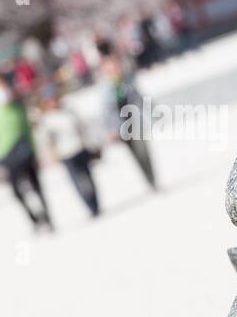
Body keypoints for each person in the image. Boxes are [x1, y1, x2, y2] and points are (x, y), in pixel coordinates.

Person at [0, 76, 53, 231]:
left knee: (36, 186)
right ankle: (34, 218)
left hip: (25, 150)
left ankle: (47, 217)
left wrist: (35, 151)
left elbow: (28, 129)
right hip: (8, 154)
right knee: (17, 192)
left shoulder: (17, 107)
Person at [39, 89, 100, 217]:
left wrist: (92, 144)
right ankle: (90, 207)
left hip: (80, 148)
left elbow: (83, 128)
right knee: (78, 182)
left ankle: (96, 203)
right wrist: (52, 155)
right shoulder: (47, 120)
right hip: (66, 154)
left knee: (88, 178)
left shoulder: (69, 111)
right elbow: (46, 141)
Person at [100, 55, 157, 190]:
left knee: (143, 151)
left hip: (135, 122)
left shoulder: (128, 81)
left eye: (115, 67)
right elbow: (105, 112)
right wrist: (110, 130)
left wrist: (152, 110)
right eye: (110, 69)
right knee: (135, 155)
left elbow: (139, 98)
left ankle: (152, 179)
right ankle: (148, 180)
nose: (114, 71)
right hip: (121, 127)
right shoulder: (105, 88)